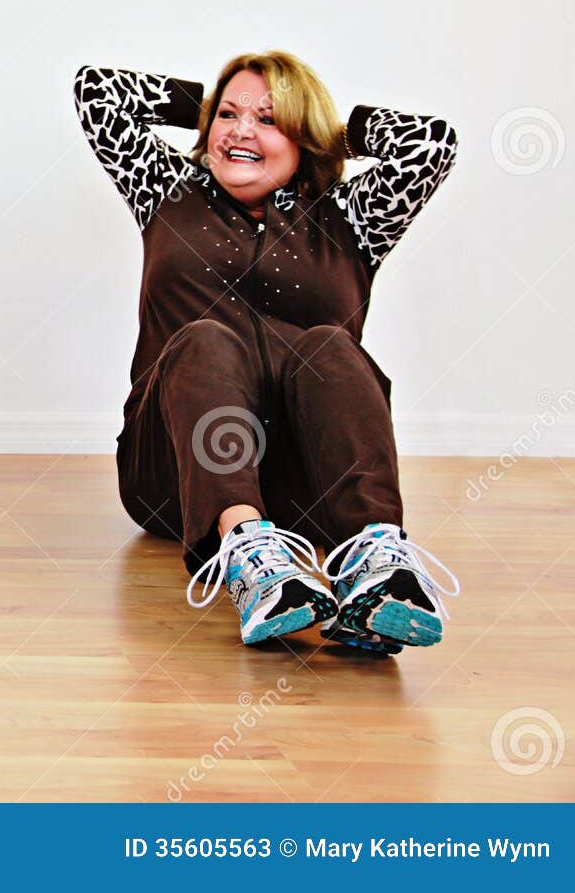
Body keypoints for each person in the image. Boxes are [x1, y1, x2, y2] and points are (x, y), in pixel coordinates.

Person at [74, 54, 460, 651]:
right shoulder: (167, 191)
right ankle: (248, 553)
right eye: (228, 116)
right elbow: (97, 89)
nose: (241, 131)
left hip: (303, 482)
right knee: (204, 337)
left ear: (304, 137)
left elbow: (433, 143)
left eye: (269, 120)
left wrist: (329, 130)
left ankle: (378, 567)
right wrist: (209, 107)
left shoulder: (351, 218)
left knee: (331, 347)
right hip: (172, 470)